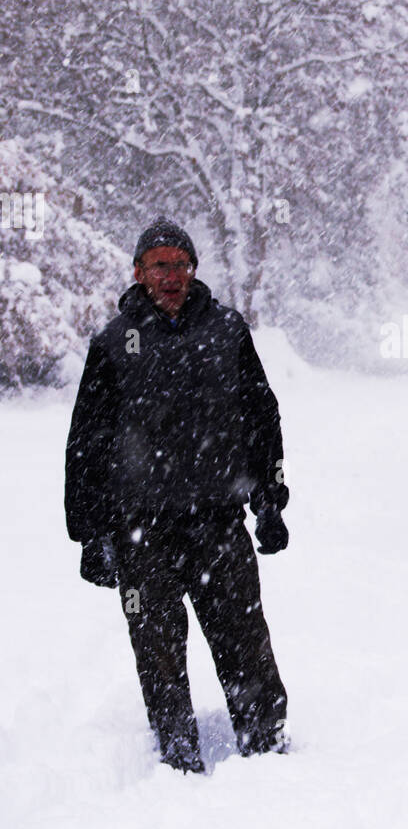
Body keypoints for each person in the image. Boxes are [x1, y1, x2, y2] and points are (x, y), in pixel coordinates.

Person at [64, 218, 291, 774]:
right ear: (138, 272)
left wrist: (270, 500)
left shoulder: (227, 331)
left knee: (245, 639)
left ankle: (269, 754)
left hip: (218, 523)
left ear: (194, 270)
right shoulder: (116, 343)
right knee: (158, 653)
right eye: (160, 265)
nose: (172, 275)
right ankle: (178, 762)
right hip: (142, 533)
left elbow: (262, 416)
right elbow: (87, 443)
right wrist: (92, 534)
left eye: (181, 264)